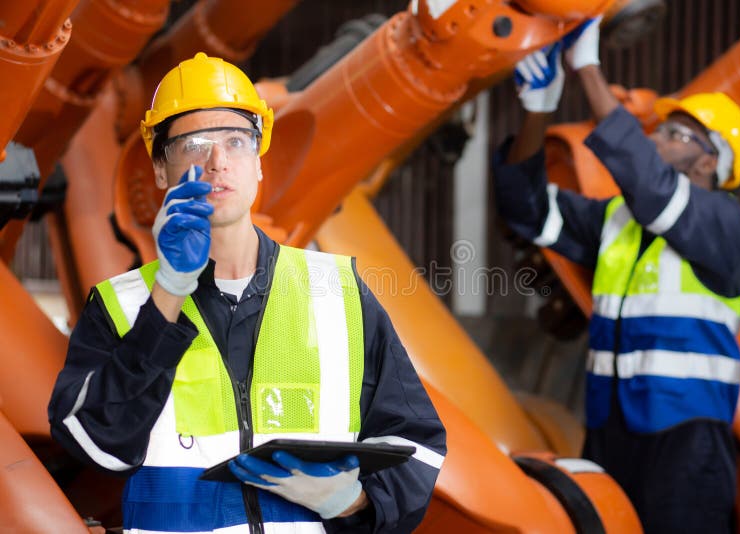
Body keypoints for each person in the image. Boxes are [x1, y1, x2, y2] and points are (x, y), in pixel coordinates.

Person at [49, 52, 446, 534]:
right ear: (159, 169)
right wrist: (170, 290)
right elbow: (95, 444)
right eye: (194, 144)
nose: (218, 162)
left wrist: (354, 503)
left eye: (236, 141)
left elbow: (417, 442)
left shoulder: (337, 292)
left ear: (258, 162)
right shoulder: (122, 306)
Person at [493, 19, 740, 534]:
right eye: (658, 130)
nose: (656, 138)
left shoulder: (727, 226)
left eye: (675, 134)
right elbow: (525, 209)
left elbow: (652, 187)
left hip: (685, 440)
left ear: (710, 162)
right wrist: (537, 108)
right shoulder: (618, 221)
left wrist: (588, 68)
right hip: (609, 429)